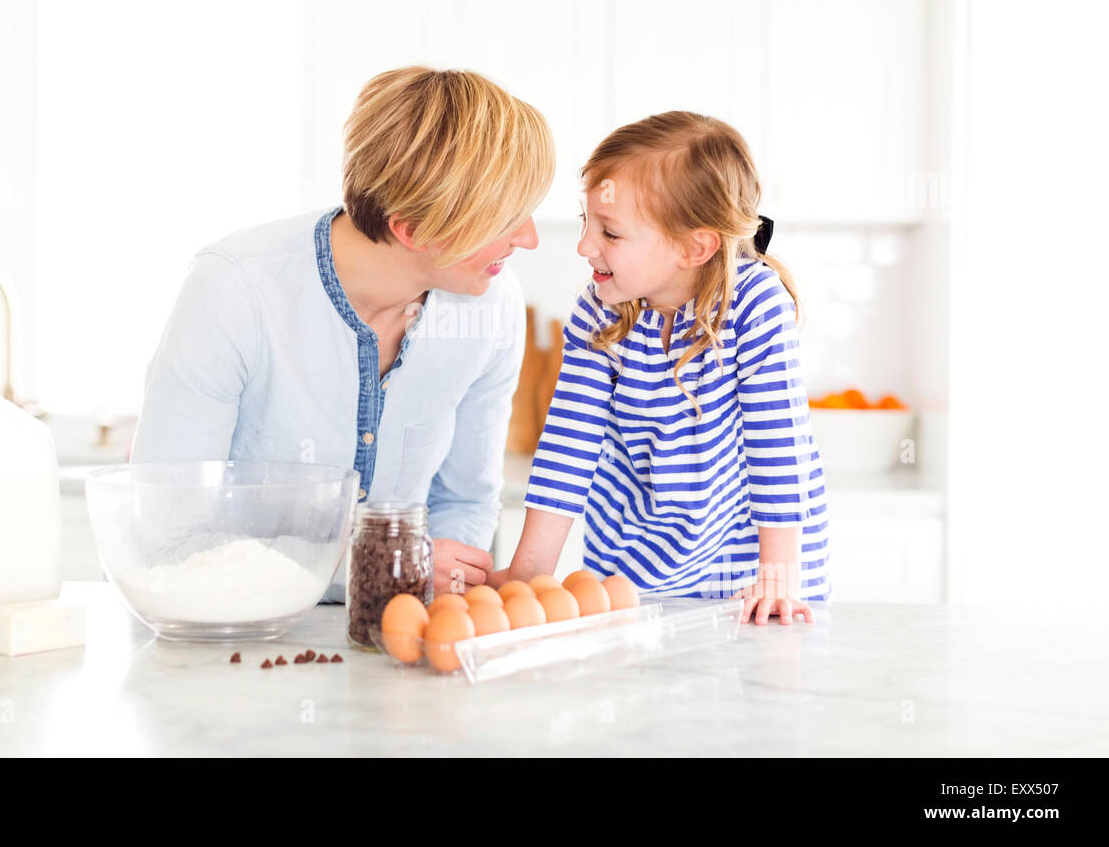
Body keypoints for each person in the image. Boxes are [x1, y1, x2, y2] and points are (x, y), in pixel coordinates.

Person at [130, 66, 553, 600]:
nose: (531, 238)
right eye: (507, 218)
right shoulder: (235, 290)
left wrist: (429, 583)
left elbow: (465, 503)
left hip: (397, 650)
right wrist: (390, 567)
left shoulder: (493, 306)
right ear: (413, 230)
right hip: (229, 636)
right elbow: (168, 529)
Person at [487, 111, 830, 624]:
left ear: (695, 246)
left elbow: (777, 448)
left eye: (611, 233)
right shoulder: (600, 309)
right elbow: (568, 444)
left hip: (751, 575)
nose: (585, 246)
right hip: (632, 567)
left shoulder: (755, 305)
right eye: (586, 223)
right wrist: (527, 575)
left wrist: (776, 578)